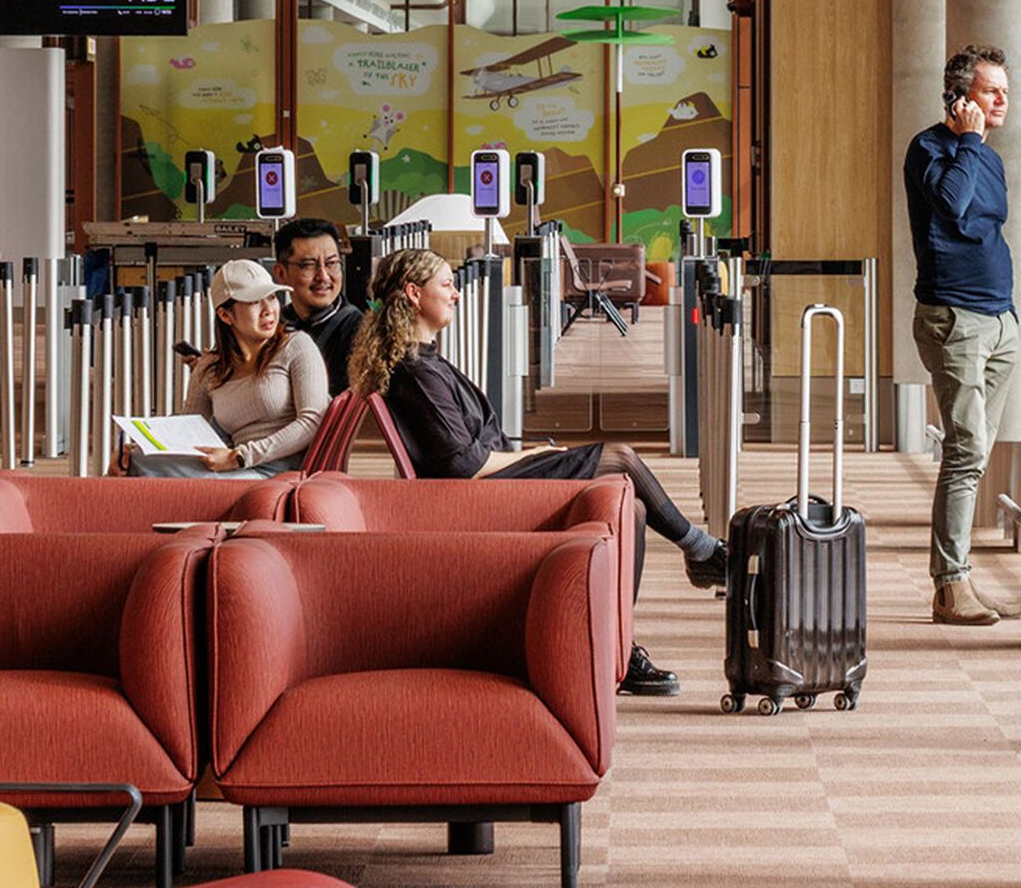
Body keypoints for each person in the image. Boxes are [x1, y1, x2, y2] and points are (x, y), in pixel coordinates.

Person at [347, 245, 726, 699]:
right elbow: (466, 465)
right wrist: (538, 457)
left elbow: (475, 448)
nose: (456, 295)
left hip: (490, 486)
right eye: (447, 285)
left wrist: (538, 452)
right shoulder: (416, 372)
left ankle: (617, 648)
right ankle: (702, 551)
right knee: (620, 457)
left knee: (635, 510)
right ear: (413, 294)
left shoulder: (423, 362)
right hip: (480, 499)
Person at [905, 44, 1021, 627]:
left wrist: (979, 149)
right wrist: (968, 142)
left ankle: (959, 582)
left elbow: (991, 221)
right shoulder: (930, 148)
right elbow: (955, 208)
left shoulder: (989, 158)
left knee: (974, 455)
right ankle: (951, 586)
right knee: (964, 451)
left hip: (999, 321)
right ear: (961, 99)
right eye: (991, 91)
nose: (1002, 100)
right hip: (953, 321)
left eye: (1005, 90)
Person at [169, 255, 329, 476]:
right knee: (135, 463)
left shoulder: (296, 346)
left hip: (275, 474)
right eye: (255, 301)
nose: (268, 310)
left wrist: (241, 456)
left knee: (153, 476)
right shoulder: (210, 367)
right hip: (234, 469)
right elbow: (188, 430)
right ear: (225, 315)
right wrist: (135, 450)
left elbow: (314, 420)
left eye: (272, 297)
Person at [273, 216, 363, 391]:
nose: (323, 276)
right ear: (281, 273)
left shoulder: (360, 333)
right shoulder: (273, 327)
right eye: (308, 265)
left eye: (331, 264)